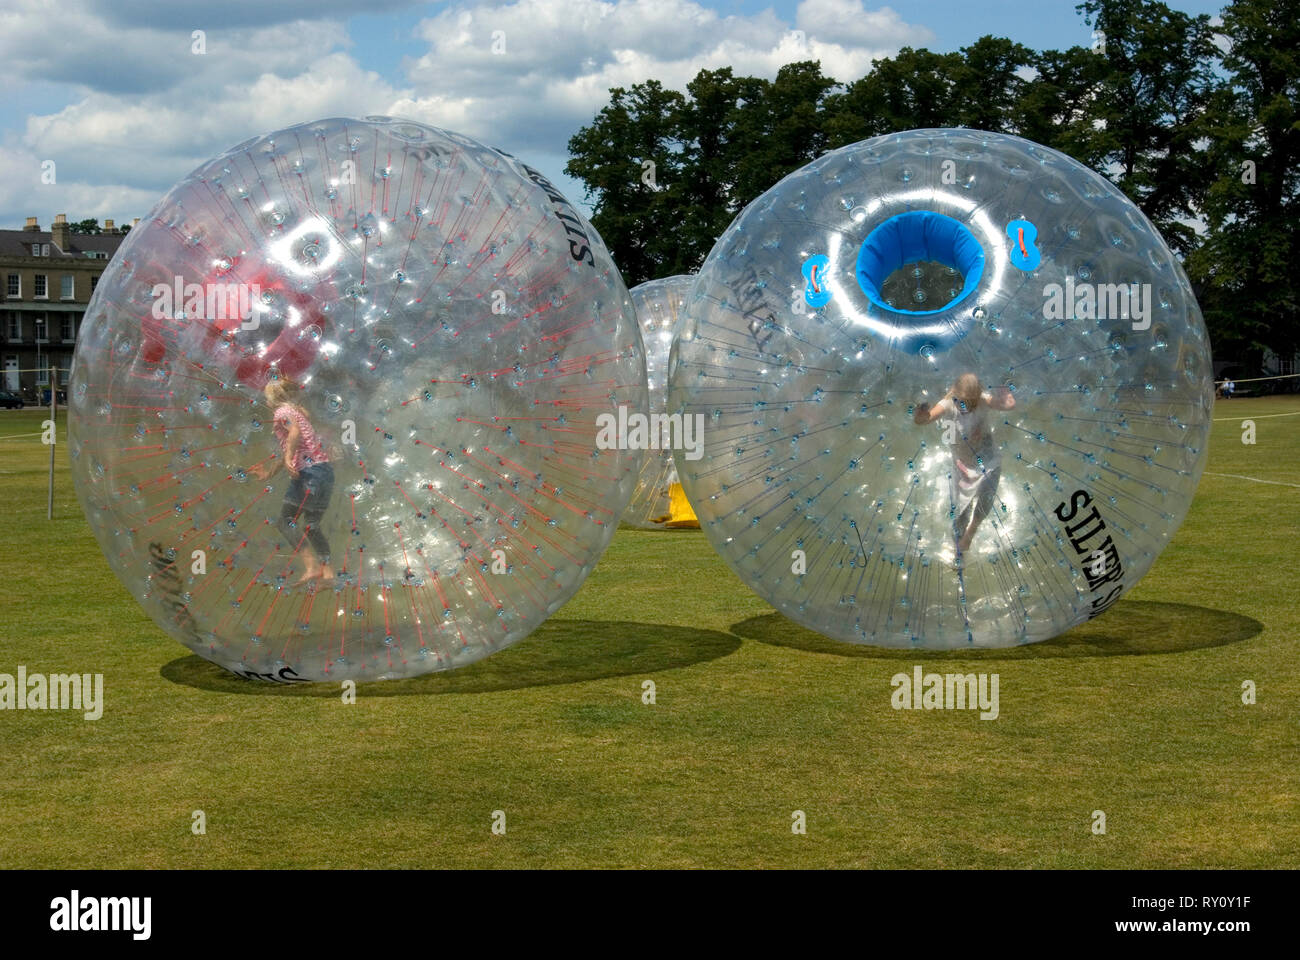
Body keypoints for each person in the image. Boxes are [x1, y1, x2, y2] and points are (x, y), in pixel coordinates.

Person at [913, 372, 1016, 555]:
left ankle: (971, 533)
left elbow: (1008, 405)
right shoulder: (948, 405)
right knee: (962, 512)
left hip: (988, 458)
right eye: (963, 402)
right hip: (964, 465)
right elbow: (924, 420)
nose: (967, 407)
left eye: (971, 403)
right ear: (956, 395)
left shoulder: (983, 400)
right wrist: (920, 413)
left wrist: (1005, 392)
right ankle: (958, 549)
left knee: (986, 498)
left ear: (978, 396)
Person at [249, 378, 335, 582]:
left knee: (285, 521)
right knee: (312, 525)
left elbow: (293, 435)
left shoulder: (282, 413)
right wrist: (270, 473)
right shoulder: (298, 414)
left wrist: (288, 458)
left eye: (266, 398)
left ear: (272, 399)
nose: (266, 402)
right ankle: (328, 572)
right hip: (325, 472)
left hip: (309, 473)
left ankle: (311, 566)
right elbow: (294, 445)